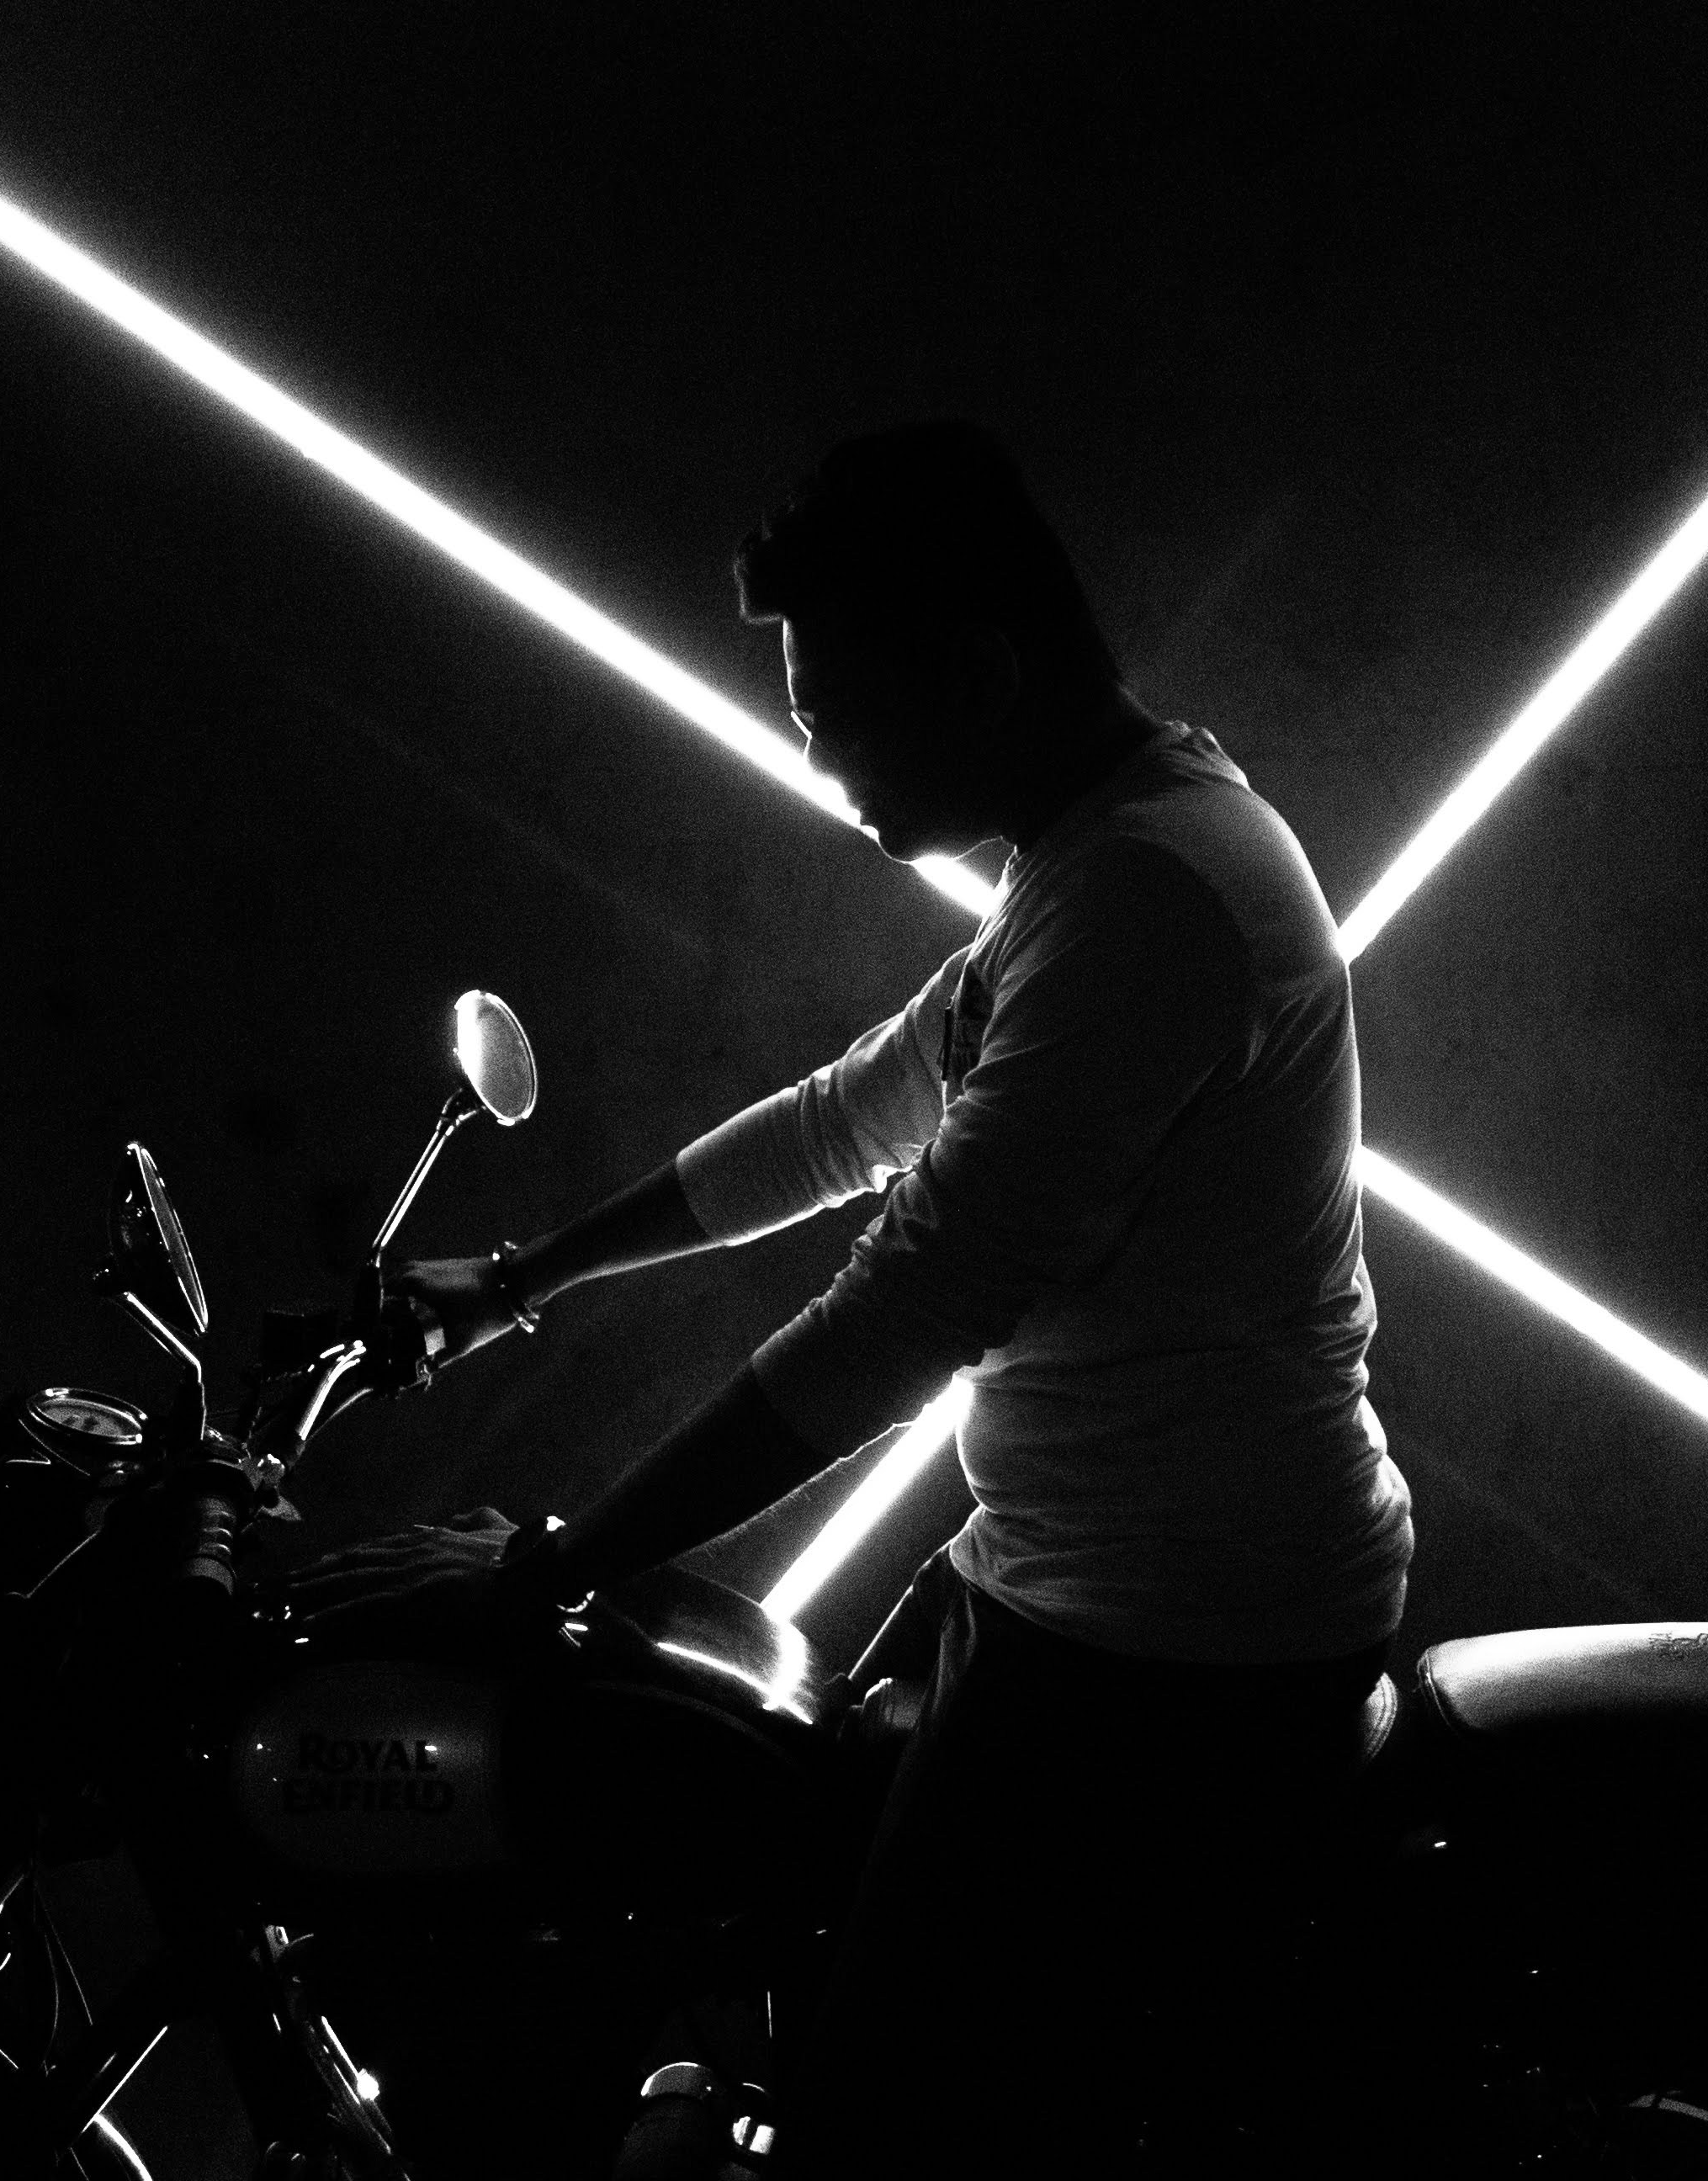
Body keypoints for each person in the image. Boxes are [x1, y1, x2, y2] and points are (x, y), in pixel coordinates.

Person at [292, 421, 1412, 2176]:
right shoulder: (1103, 849)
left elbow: (910, 1311)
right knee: (747, 1880)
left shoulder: (1153, 901)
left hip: (1174, 1649)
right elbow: (852, 1117)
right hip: (1060, 1579)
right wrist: (521, 1277)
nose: (830, 779)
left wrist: (549, 1568)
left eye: (843, 725)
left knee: (866, 2127)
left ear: (978, 669)